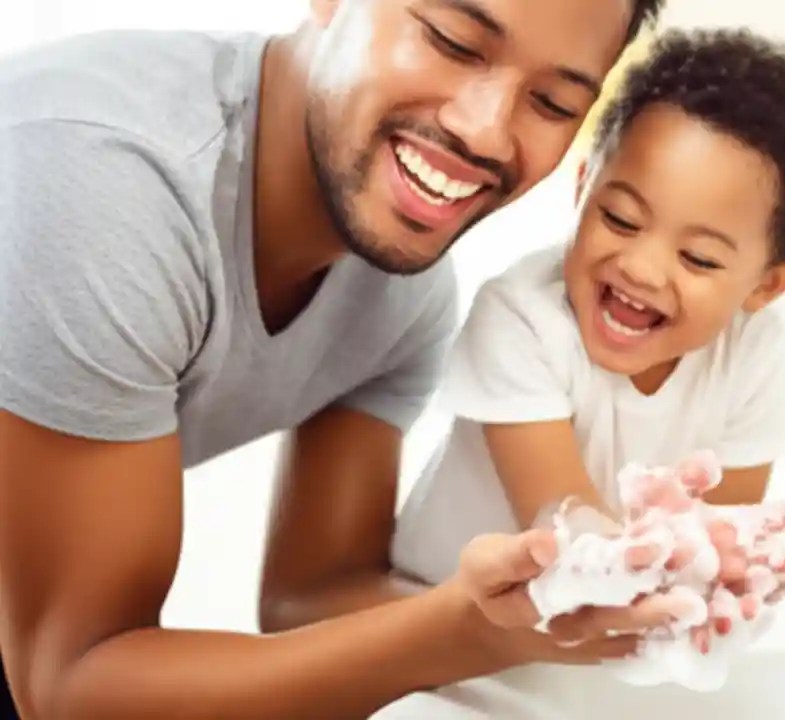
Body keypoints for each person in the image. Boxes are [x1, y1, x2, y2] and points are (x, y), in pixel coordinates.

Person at [0, 0, 693, 717]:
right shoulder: (108, 179)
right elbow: (72, 687)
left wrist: (562, 593)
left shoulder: (404, 297)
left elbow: (313, 598)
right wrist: (473, 629)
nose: (484, 130)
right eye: (453, 42)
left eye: (551, 103)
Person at [386, 28, 785, 717]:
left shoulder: (758, 357)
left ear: (768, 284)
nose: (640, 268)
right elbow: (560, 521)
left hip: (599, 655)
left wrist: (732, 569)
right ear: (583, 186)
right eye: (619, 217)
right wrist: (663, 555)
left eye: (698, 259)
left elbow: (715, 548)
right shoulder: (521, 317)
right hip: (447, 652)